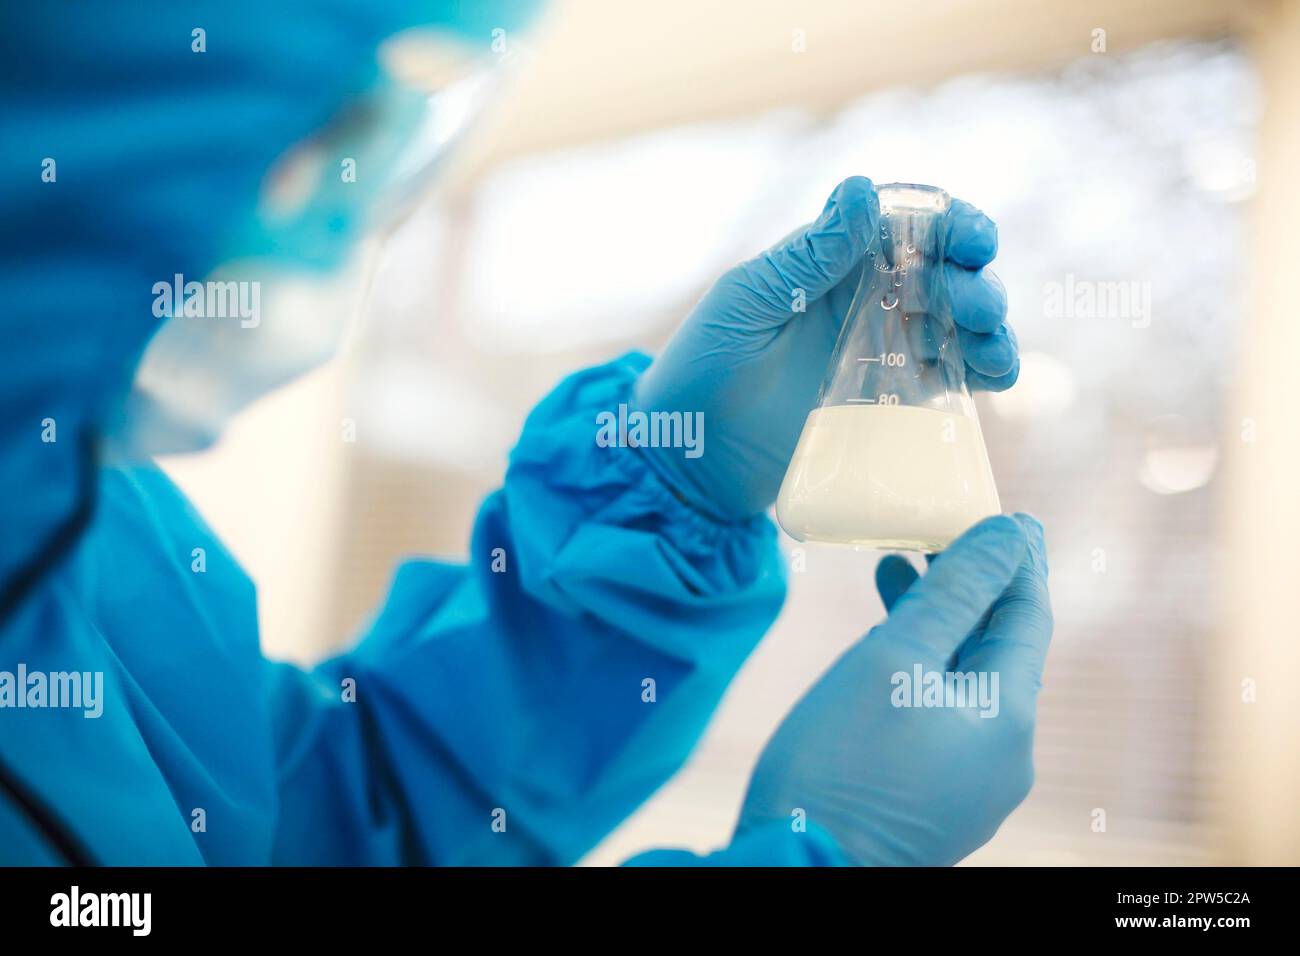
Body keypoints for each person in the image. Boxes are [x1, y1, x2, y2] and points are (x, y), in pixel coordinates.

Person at [0, 0, 1049, 866]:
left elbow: (341, 816)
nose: (333, 214)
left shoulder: (68, 515)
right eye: (318, 135)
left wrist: (671, 496)